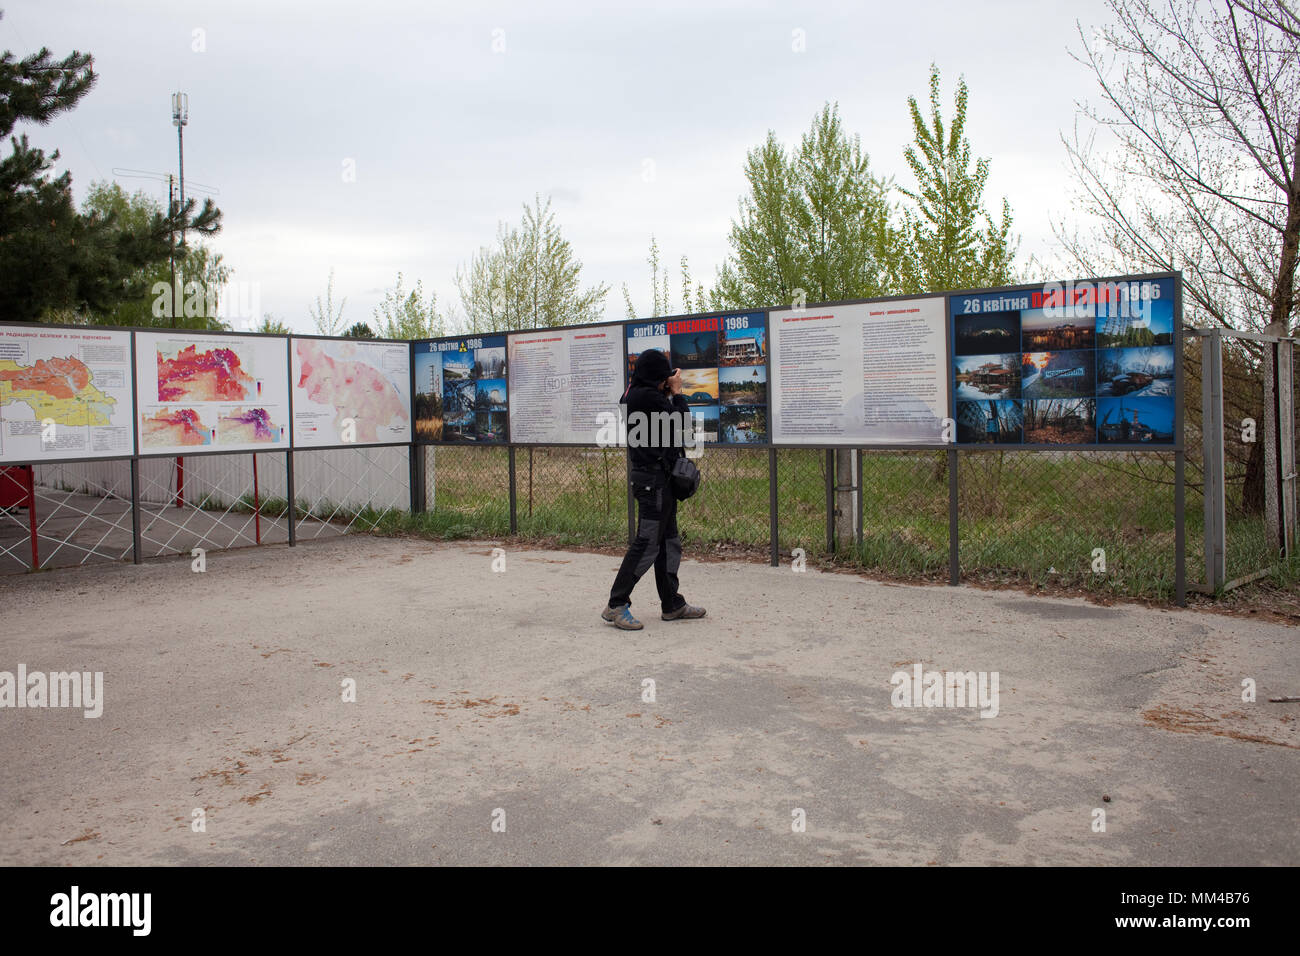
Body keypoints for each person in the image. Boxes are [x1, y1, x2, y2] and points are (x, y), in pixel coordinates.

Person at [602, 348, 706, 630]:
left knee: (669, 542)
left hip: (660, 480)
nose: (667, 383)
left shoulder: (635, 393)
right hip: (652, 483)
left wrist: (667, 392)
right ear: (657, 377)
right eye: (664, 378)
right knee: (647, 543)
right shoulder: (646, 397)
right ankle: (616, 604)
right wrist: (679, 392)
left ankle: (672, 603)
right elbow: (683, 426)